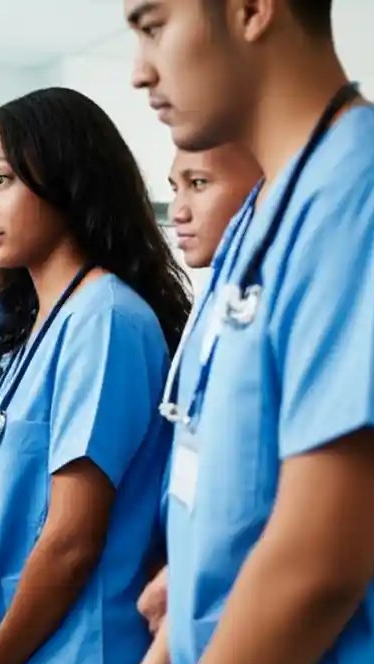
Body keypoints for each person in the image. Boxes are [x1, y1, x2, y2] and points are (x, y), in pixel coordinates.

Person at [125, 0, 374, 664]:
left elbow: (320, 561)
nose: (138, 70)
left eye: (153, 25)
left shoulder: (367, 187)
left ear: (252, 9)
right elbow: (233, 490)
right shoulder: (269, 211)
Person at [0, 87, 192, 664]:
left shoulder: (107, 319)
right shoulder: (33, 325)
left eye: (2, 180)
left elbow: (70, 539)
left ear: (65, 180)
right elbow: (2, 532)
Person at [136, 143, 262, 634]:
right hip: (191, 605)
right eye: (174, 186)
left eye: (199, 184)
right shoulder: (215, 303)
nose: (178, 210)